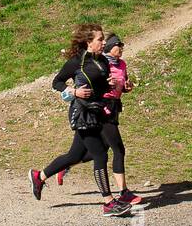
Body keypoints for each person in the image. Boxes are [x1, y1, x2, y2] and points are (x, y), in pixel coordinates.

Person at [28, 23, 130, 216]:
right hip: (82, 113)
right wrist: (74, 91)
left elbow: (101, 88)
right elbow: (56, 82)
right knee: (100, 154)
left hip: (98, 112)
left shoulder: (103, 61)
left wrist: (116, 86)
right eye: (100, 39)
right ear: (89, 42)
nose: (103, 42)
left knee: (74, 156)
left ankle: (39, 176)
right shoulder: (77, 62)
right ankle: (108, 202)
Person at [99, 33, 142, 206]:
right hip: (102, 109)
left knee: (89, 151)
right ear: (109, 47)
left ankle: (50, 172)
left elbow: (122, 85)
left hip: (115, 106)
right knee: (118, 149)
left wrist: (126, 87)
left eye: (122, 46)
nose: (121, 49)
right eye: (118, 46)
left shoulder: (122, 64)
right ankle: (124, 192)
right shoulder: (101, 62)